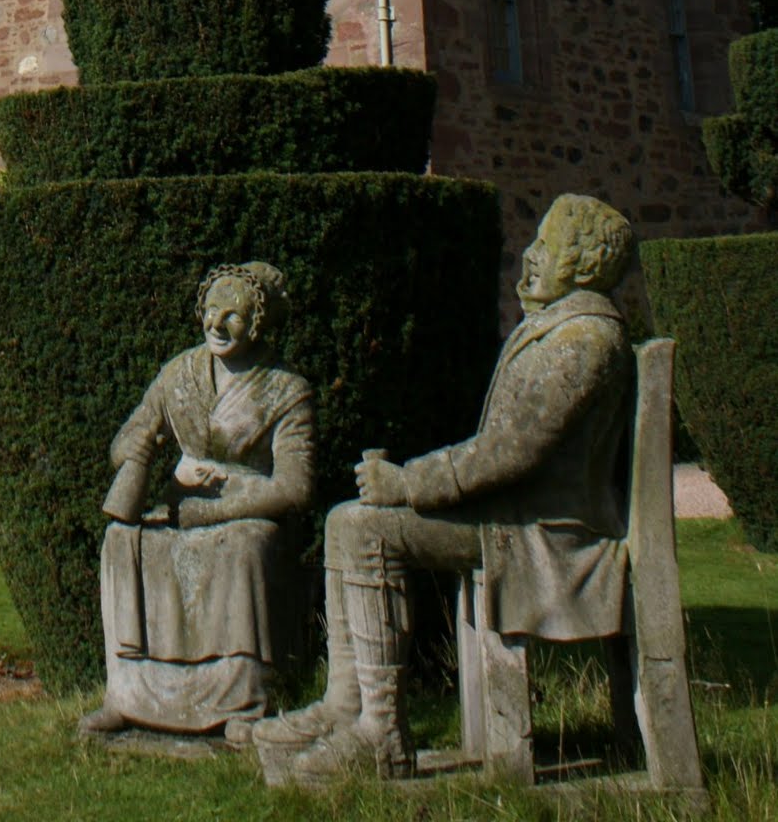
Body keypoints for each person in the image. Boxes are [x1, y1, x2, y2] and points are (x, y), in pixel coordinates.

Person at [250, 193, 635, 781]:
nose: (527, 258)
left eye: (545, 248)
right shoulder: (564, 330)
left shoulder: (584, 342)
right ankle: (345, 705)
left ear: (582, 267)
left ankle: (380, 735)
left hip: (546, 536)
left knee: (364, 528)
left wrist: (405, 483)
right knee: (345, 520)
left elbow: (511, 453)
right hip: (519, 519)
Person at [79, 261, 315, 736]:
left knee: (244, 547)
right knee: (121, 540)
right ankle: (127, 692)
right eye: (211, 311)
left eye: (232, 315)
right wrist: (140, 451)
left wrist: (214, 510)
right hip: (178, 509)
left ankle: (240, 701)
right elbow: (127, 439)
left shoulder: (287, 390)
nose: (216, 324)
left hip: (243, 513)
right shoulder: (179, 374)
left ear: (258, 321)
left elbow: (295, 487)